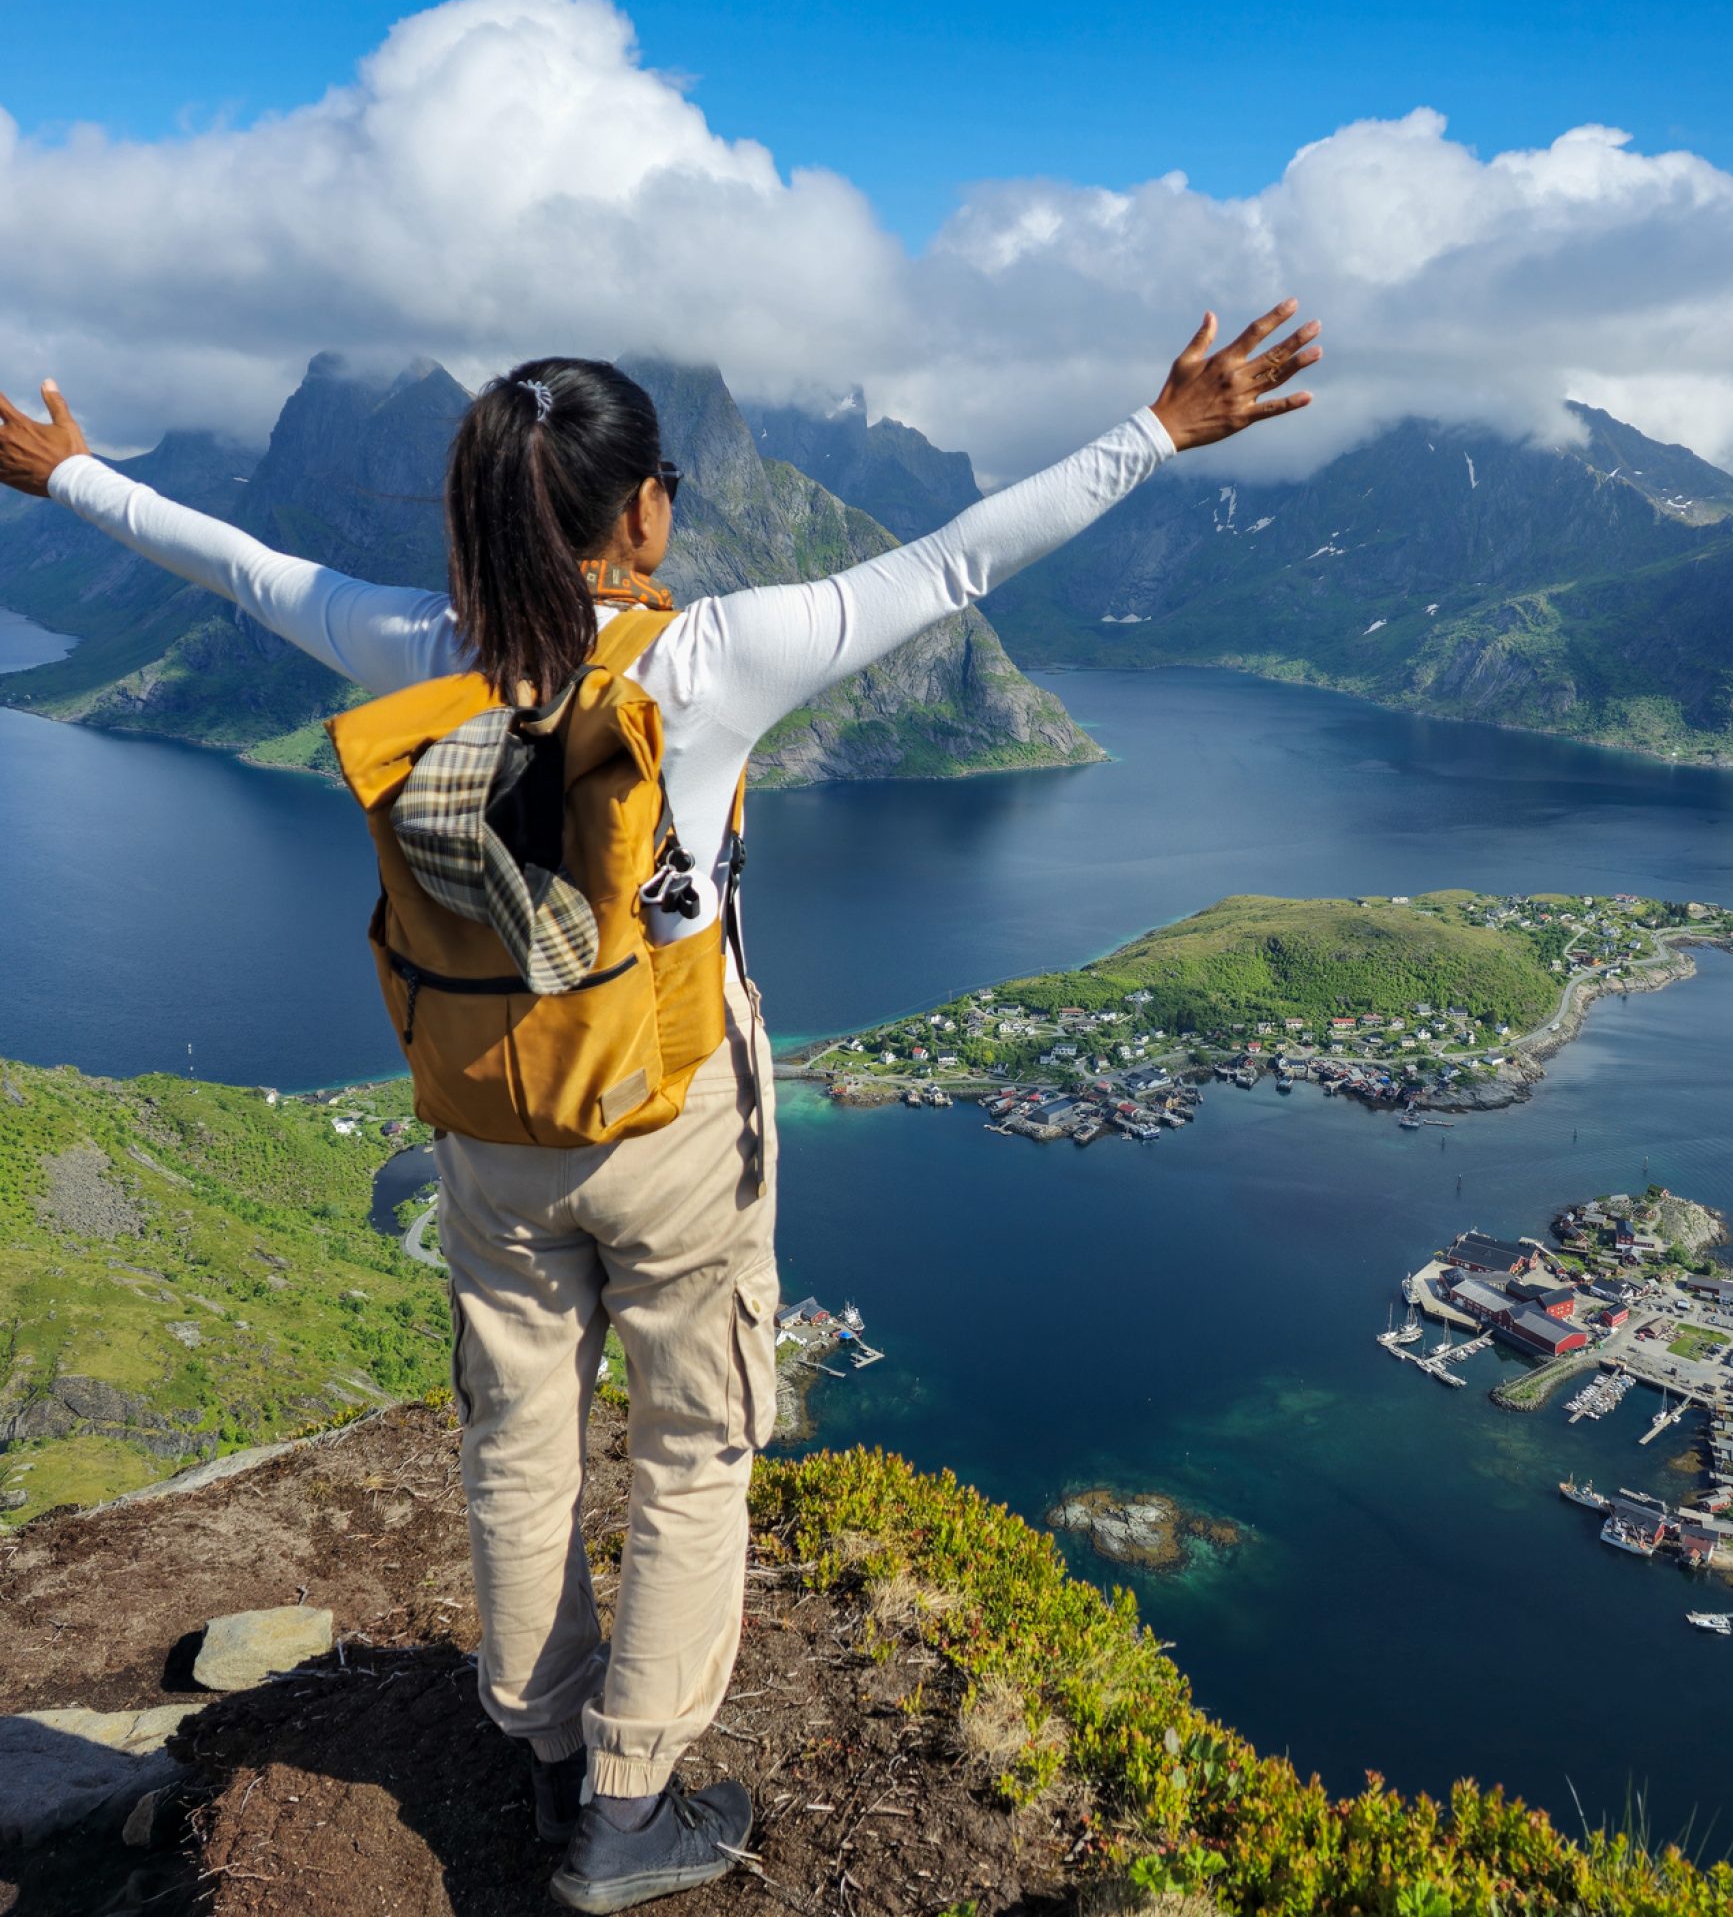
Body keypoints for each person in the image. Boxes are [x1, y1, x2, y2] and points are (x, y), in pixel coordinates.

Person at [0, 302, 1317, 1910]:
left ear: (485, 508)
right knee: (695, 1451)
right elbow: (962, 561)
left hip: (487, 1123)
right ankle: (629, 1810)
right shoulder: (709, 659)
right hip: (674, 1122)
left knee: (519, 1428)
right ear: (646, 511)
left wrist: (70, 476)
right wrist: (1163, 429)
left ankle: (540, 1737)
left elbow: (243, 569)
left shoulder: (415, 648)